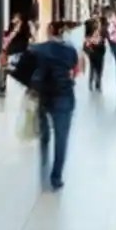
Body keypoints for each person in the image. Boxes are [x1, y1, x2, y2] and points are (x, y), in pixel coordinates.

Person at [29, 20, 83, 190]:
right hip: (64, 98)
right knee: (61, 139)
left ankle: (43, 165)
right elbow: (76, 70)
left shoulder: (39, 48)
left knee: (44, 135)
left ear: (51, 31)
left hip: (43, 97)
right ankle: (56, 176)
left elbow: (26, 68)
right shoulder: (70, 50)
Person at [0, 12, 32, 98]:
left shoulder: (24, 30)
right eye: (14, 18)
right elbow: (7, 40)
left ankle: (26, 87)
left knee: (14, 70)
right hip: (10, 52)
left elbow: (28, 40)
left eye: (16, 18)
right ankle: (2, 88)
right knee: (3, 69)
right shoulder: (12, 29)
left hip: (19, 53)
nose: (14, 20)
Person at [82, 17, 106, 91]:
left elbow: (85, 46)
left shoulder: (90, 35)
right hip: (96, 53)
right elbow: (86, 46)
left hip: (96, 53)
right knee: (97, 68)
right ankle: (96, 82)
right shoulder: (92, 34)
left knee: (94, 68)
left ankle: (94, 82)